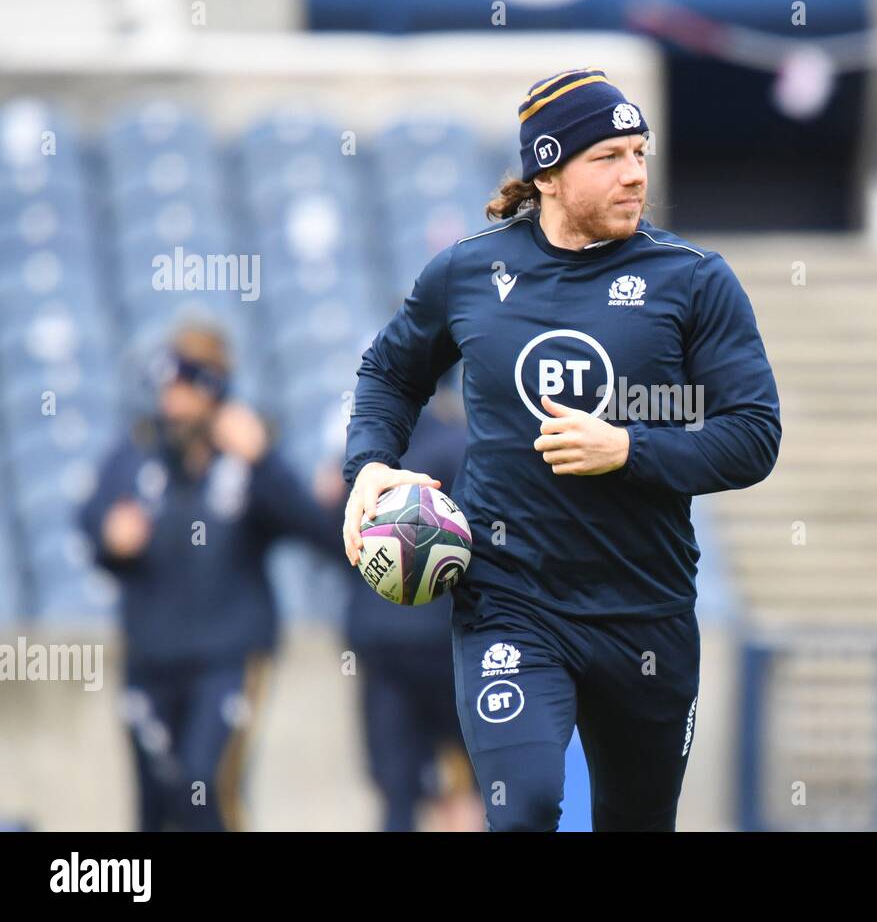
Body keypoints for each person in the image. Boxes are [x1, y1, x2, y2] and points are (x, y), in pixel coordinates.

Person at [341, 67, 781, 831]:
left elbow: (752, 436)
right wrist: (370, 464)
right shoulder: (468, 273)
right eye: (609, 157)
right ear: (547, 171)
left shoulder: (695, 282)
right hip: (511, 602)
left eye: (640, 153)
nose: (636, 173)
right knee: (527, 806)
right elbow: (389, 371)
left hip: (646, 613)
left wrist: (630, 449)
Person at [80, 322, 344, 831]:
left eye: (184, 389)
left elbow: (321, 533)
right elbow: (92, 520)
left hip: (228, 658)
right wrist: (108, 535)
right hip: (151, 659)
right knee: (157, 798)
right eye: (166, 389)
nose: (171, 403)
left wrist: (264, 461)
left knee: (205, 786)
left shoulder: (244, 458)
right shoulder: (138, 453)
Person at [340, 376, 482, 832]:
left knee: (442, 791)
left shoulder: (448, 446)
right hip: (402, 649)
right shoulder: (367, 458)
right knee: (404, 790)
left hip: (435, 649)